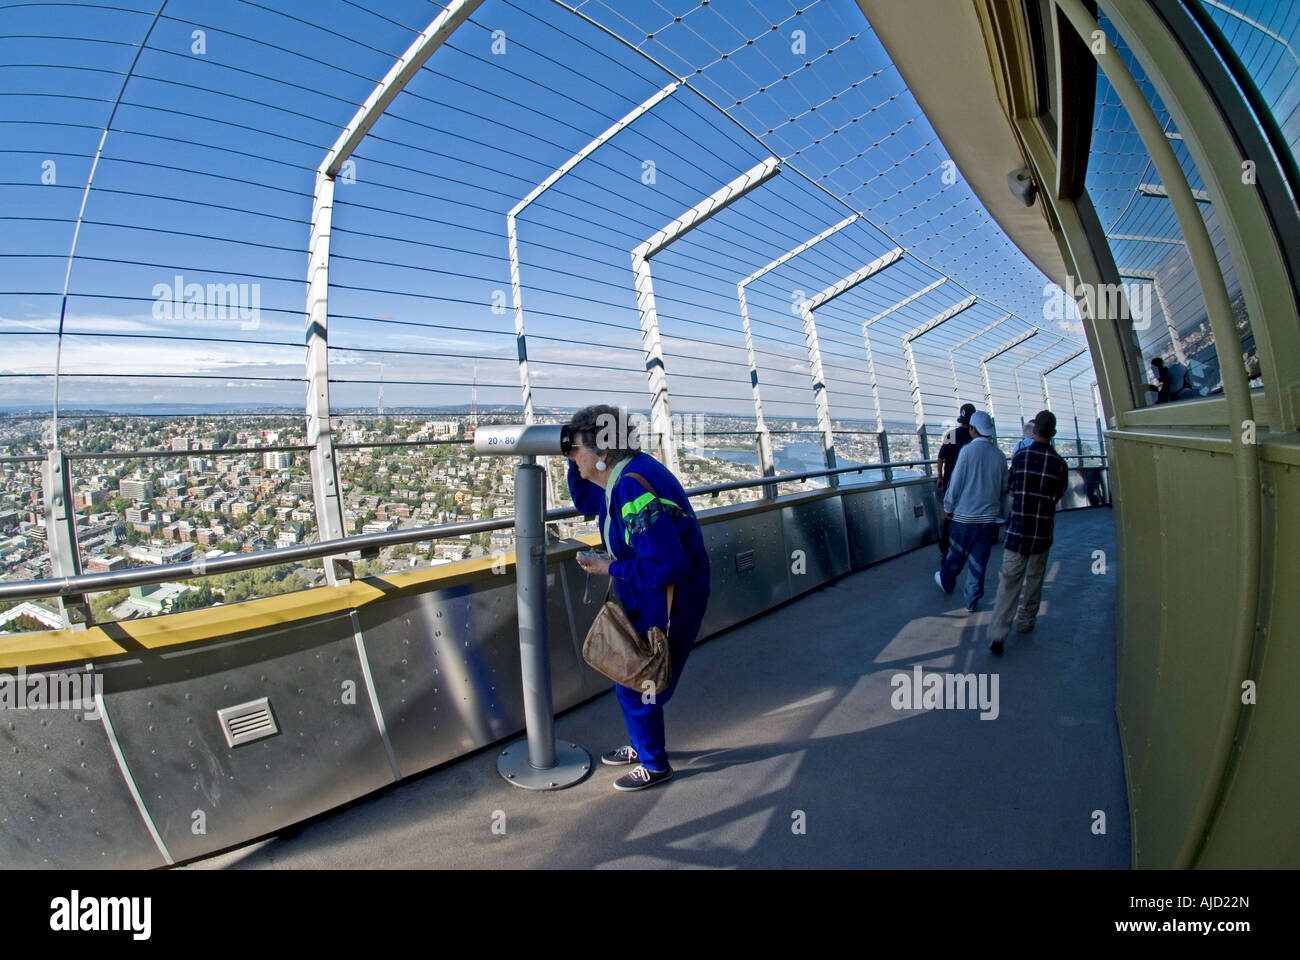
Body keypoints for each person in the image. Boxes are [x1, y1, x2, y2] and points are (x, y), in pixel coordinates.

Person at [566, 404, 710, 791]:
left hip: (667, 600)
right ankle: (642, 743)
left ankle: (655, 764)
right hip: (651, 594)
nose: (573, 457)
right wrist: (570, 458)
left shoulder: (632, 485)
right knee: (633, 677)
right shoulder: (627, 473)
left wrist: (608, 568)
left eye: (576, 450)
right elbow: (589, 503)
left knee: (638, 683)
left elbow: (667, 566)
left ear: (603, 454)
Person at [987, 410, 1070, 654]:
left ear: (1034, 431)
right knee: (1034, 581)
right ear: (1053, 434)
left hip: (1017, 532)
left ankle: (998, 633)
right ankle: (1026, 622)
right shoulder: (1060, 465)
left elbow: (1011, 490)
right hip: (1041, 534)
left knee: (1008, 583)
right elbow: (1057, 496)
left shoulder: (1020, 457)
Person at [934, 410, 1007, 612]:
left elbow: (952, 478)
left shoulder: (960, 444)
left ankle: (947, 581)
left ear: (971, 427)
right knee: (979, 559)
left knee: (956, 554)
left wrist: (948, 506)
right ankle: (972, 600)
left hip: (965, 515)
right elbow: (1004, 485)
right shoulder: (999, 455)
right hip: (988, 518)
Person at [934, 402, 976, 561]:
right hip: (968, 483)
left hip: (950, 481)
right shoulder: (973, 437)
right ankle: (967, 546)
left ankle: (945, 548)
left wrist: (939, 477)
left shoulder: (951, 435)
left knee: (949, 515)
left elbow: (940, 458)